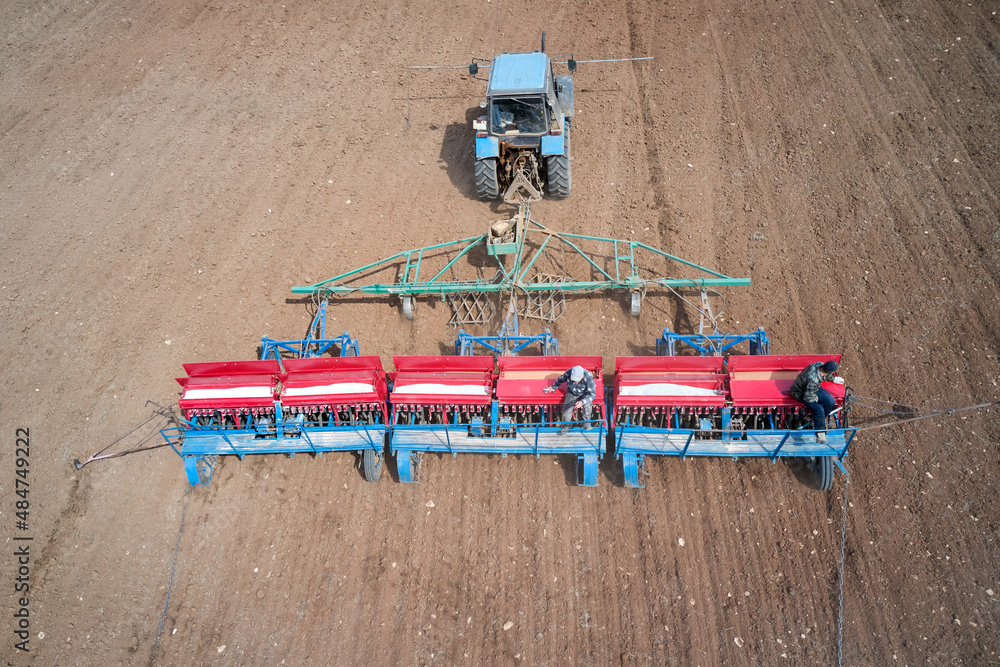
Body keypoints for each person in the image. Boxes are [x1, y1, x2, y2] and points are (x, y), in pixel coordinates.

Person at [789, 360, 846, 443]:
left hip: (811, 388)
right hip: (800, 393)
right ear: (831, 372)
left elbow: (824, 376)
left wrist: (833, 379)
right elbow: (808, 397)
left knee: (831, 401)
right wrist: (817, 399)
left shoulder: (818, 365)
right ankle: (820, 434)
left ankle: (817, 420)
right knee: (819, 409)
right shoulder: (814, 380)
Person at [544, 365, 597, 434]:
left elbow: (592, 394)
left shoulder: (588, 376)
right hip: (572, 392)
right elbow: (560, 379)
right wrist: (553, 387)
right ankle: (567, 425)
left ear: (582, 376)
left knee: (587, 406)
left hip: (585, 392)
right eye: (573, 378)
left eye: (576, 379)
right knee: (566, 409)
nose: (574, 380)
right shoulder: (569, 373)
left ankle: (586, 423)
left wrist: (582, 402)